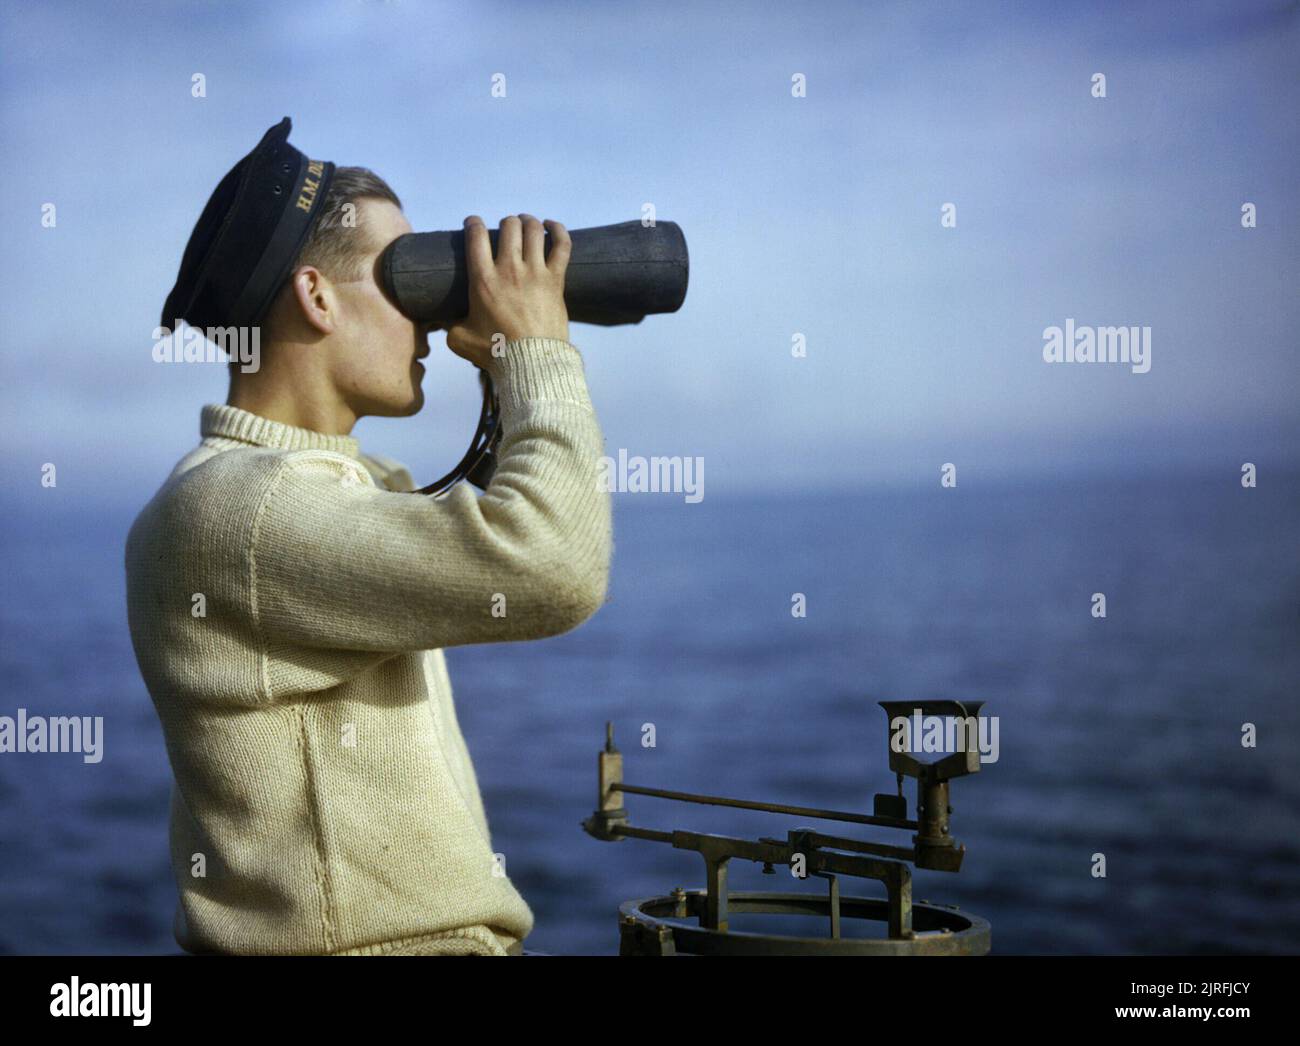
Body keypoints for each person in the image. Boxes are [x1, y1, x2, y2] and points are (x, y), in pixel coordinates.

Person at [126, 118, 611, 956]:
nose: (426, 318)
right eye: (407, 277)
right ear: (316, 298)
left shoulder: (327, 490)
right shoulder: (238, 512)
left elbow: (494, 537)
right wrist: (537, 351)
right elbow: (552, 566)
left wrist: (504, 370)